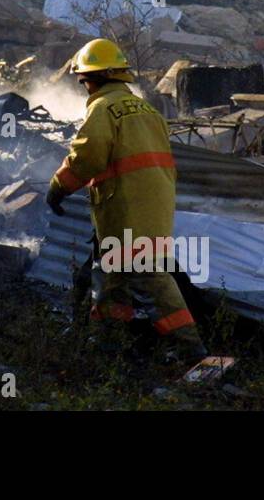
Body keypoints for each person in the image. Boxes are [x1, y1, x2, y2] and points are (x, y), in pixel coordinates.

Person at [46, 38, 208, 362]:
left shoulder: (102, 108)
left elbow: (87, 158)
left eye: (84, 81)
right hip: (153, 205)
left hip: (125, 206)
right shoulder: (148, 110)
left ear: (94, 79)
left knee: (148, 272)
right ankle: (108, 342)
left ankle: (191, 347)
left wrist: (58, 187)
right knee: (112, 274)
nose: (84, 88)